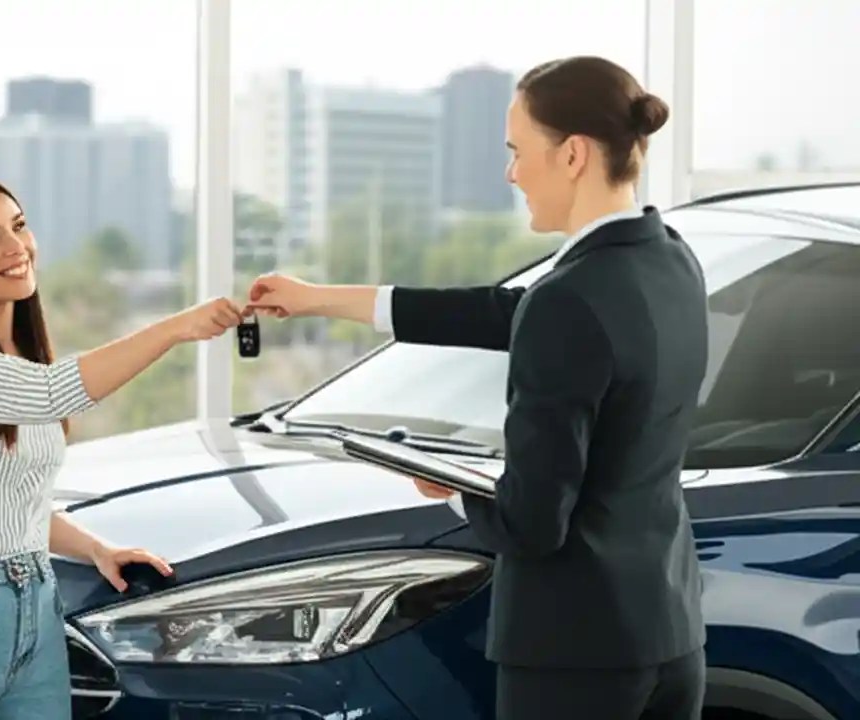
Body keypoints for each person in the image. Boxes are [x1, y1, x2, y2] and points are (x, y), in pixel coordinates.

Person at [245, 56, 708, 720]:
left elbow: (531, 523)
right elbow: (503, 313)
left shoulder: (568, 300)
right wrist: (319, 298)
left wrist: (456, 490)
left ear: (572, 154)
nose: (511, 173)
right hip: (669, 637)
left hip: (576, 656)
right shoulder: (671, 259)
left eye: (517, 151)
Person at [0, 173, 243, 719]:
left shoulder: (24, 358)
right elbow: (53, 393)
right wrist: (178, 327)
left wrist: (95, 548)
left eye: (19, 226)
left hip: (36, 601)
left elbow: (15, 500)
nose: (16, 246)